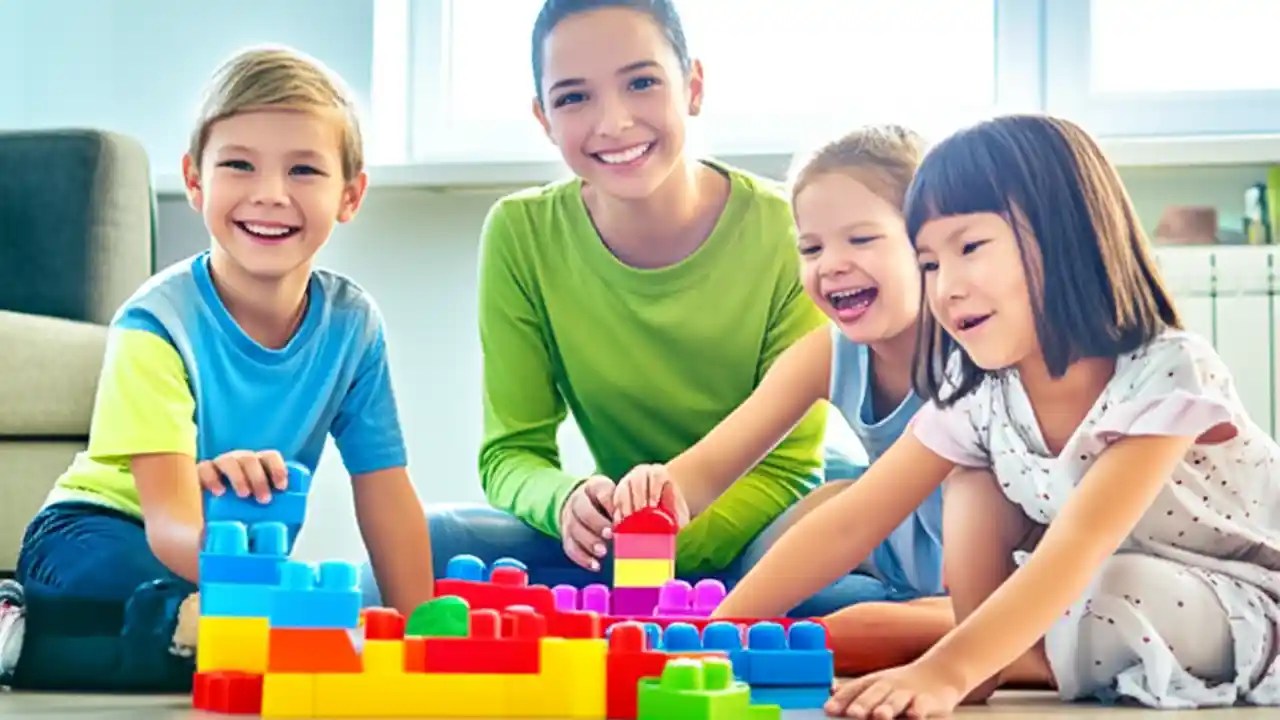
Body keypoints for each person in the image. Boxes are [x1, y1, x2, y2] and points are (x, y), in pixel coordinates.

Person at [713, 113, 1280, 718]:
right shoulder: (978, 388)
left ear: (1068, 237)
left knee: (1111, 585)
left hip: (1238, 598)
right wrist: (714, 632)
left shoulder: (1166, 370)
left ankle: (973, 658)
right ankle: (977, 655)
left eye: (971, 248)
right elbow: (853, 520)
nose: (946, 287)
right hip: (1083, 589)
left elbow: (1081, 543)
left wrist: (944, 670)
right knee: (973, 483)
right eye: (929, 263)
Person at [359, 0, 828, 604]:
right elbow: (512, 454)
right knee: (404, 559)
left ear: (693, 86)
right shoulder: (520, 234)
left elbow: (789, 466)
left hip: (761, 526)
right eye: (574, 98)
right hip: (616, 534)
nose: (613, 123)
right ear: (544, 118)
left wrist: (654, 552)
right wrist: (567, 504)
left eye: (641, 82)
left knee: (818, 598)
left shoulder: (792, 229)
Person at [0, 45, 434, 691]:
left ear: (350, 194)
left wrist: (419, 638)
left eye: (304, 170)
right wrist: (273, 595)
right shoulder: (156, 325)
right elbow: (172, 521)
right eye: (238, 165)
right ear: (196, 181)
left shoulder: (352, 326)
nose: (270, 194)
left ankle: (171, 631)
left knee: (222, 641)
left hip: (222, 563)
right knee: (205, 631)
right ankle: (18, 633)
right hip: (99, 533)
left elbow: (384, 488)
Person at [609, 125, 960, 665]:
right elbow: (707, 470)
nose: (831, 263)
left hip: (980, 568)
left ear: (927, 248)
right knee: (826, 506)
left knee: (855, 625)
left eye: (861, 239)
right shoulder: (827, 353)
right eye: (811, 247)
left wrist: (712, 637)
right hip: (894, 539)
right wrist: (659, 488)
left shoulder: (971, 349)